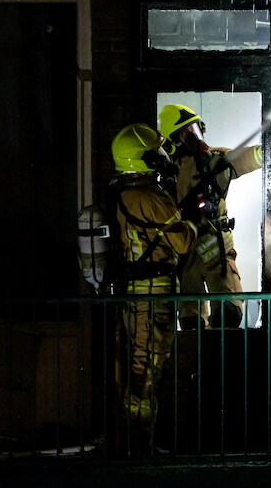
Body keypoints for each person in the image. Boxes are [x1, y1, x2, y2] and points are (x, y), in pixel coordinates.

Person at [107, 122, 196, 452]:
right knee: (148, 367)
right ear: (140, 158)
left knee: (137, 363)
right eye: (154, 152)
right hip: (154, 294)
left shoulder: (121, 193)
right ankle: (138, 443)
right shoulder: (151, 197)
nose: (161, 156)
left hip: (134, 294)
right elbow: (183, 241)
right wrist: (191, 221)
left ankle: (133, 438)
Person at [157, 103, 263, 330]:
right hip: (186, 258)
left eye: (196, 130)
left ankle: (223, 364)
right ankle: (198, 365)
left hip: (218, 255)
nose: (196, 139)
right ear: (171, 142)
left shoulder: (214, 161)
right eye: (187, 134)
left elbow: (241, 159)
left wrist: (266, 151)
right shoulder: (166, 174)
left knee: (229, 315)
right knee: (190, 322)